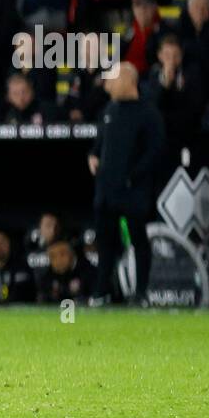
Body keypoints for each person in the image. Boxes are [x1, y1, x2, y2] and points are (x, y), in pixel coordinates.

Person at [88, 61, 165, 305]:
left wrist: (133, 175)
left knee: (138, 240)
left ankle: (140, 293)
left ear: (129, 80)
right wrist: (93, 154)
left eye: (112, 79)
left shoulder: (148, 113)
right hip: (106, 191)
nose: (107, 84)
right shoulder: (109, 109)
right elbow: (100, 141)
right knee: (105, 244)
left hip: (133, 191)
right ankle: (102, 292)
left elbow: (155, 151)